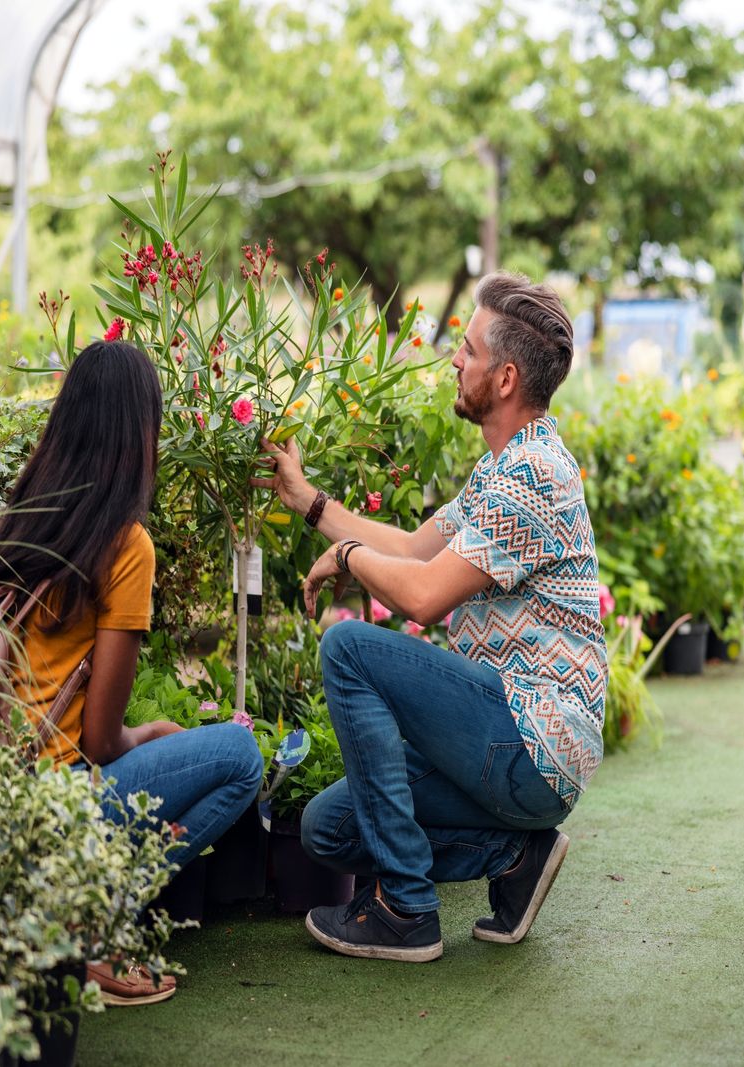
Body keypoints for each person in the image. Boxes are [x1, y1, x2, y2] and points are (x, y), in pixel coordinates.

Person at [252, 272, 606, 963]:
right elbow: (416, 548)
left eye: (467, 350)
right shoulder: (503, 469)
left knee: (349, 647)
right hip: (505, 745)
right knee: (330, 828)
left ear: (504, 378)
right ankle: (512, 856)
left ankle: (405, 910)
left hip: (529, 740)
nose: (454, 360)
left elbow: (421, 594)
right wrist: (311, 504)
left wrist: (347, 557)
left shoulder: (533, 474)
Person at [0, 339, 263, 1002]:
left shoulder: (28, 517)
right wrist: (150, 733)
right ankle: (85, 921)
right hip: (62, 807)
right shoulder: (125, 544)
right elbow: (102, 744)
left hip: (0, 799)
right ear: (140, 432)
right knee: (242, 754)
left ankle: (66, 910)